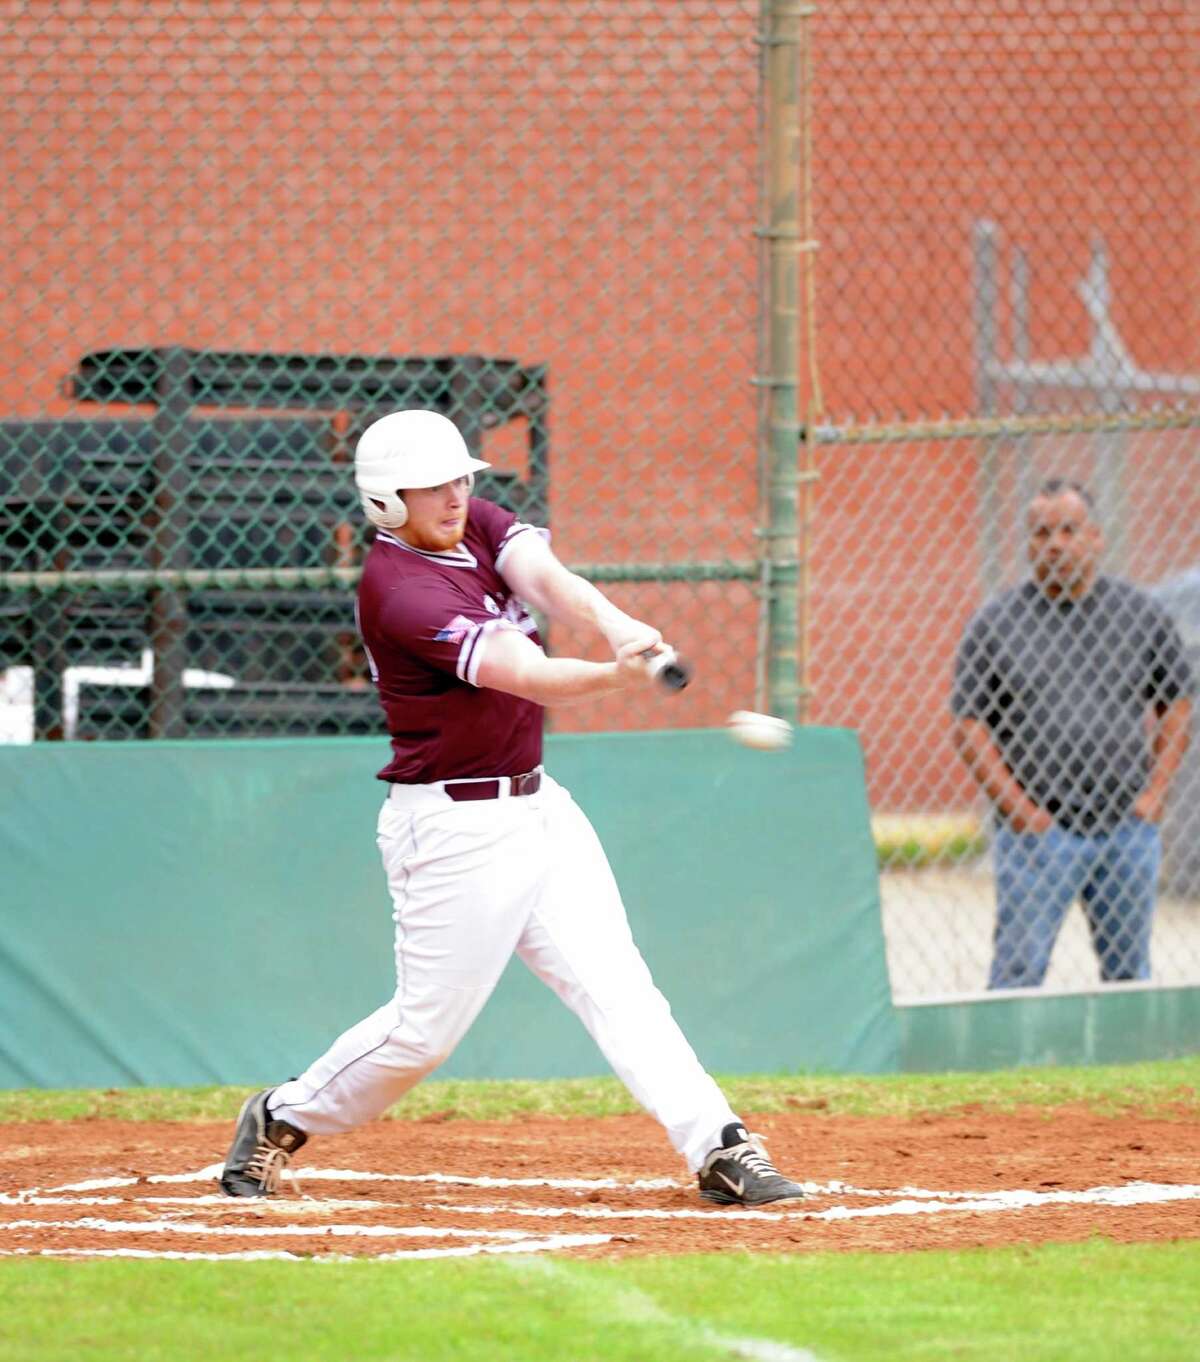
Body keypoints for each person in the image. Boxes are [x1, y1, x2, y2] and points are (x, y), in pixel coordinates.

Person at [218, 409, 804, 1207]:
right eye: (432, 483)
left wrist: (614, 622)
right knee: (424, 1032)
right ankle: (282, 1114)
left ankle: (721, 1146)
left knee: (619, 986)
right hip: (453, 826)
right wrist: (613, 673)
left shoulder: (475, 523)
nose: (456, 492)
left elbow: (547, 581)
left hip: (537, 806)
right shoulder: (400, 592)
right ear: (389, 499)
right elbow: (523, 672)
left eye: (460, 475)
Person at [951, 478, 1193, 989]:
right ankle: (1007, 1066)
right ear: (1028, 543)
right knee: (1019, 972)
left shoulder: (1139, 614)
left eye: (1069, 530)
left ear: (1096, 537)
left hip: (1126, 827)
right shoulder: (997, 623)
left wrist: (1155, 794)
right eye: (1041, 533)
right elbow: (968, 723)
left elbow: (1176, 702)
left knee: (1129, 975)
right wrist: (1017, 810)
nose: (1055, 544)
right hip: (1040, 833)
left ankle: (1132, 1067)